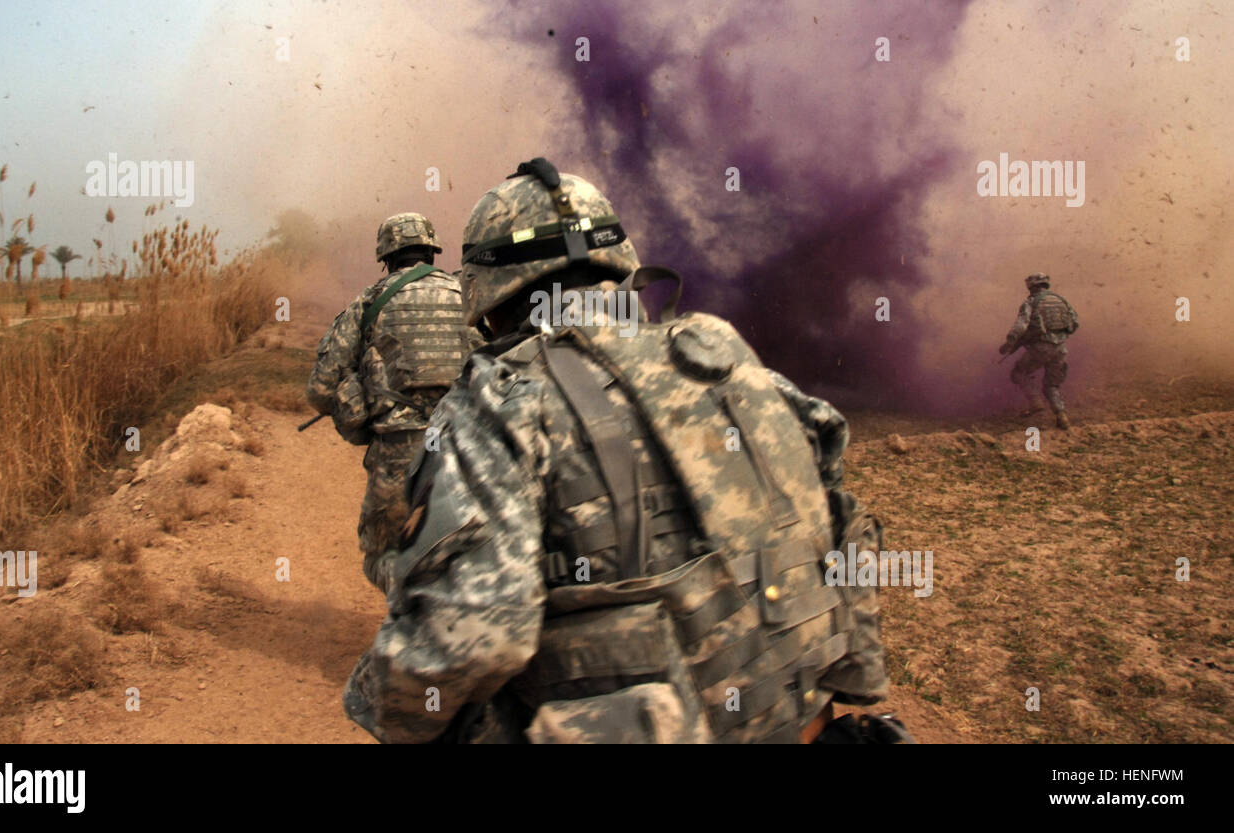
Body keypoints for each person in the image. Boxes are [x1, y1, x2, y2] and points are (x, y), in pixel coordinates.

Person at [343, 158, 906, 744]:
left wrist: (379, 701)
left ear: (487, 291)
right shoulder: (722, 356)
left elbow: (470, 639)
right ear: (619, 261)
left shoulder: (501, 401)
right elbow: (841, 515)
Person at [306, 212, 475, 593]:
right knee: (477, 546)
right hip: (467, 445)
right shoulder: (468, 296)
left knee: (382, 553)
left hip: (399, 453)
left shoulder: (369, 303)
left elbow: (319, 389)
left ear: (386, 258)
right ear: (432, 252)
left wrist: (356, 392)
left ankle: (408, 605)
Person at [999, 273, 1079, 430]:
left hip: (1041, 347)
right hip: (1061, 348)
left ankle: (1035, 402)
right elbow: (1074, 323)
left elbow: (1020, 326)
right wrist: (1059, 336)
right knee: (1051, 385)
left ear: (1031, 286)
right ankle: (1061, 416)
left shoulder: (1031, 302)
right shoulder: (1060, 300)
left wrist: (1009, 344)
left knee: (1019, 373)